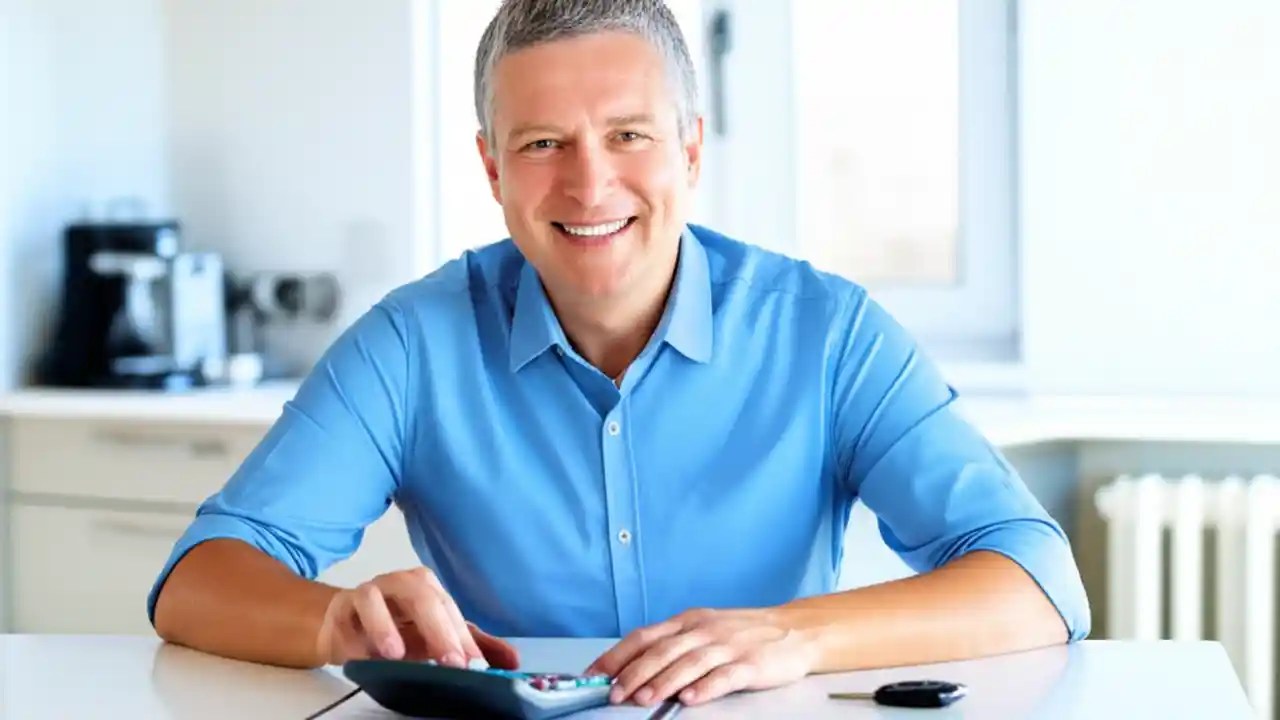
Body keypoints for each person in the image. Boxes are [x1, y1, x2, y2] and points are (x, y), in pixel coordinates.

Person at [150, 0, 1090, 709]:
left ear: (689, 149)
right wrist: (329, 617)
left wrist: (791, 637)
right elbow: (199, 578)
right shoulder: (412, 343)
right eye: (544, 142)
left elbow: (1035, 579)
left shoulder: (828, 331)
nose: (588, 181)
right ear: (492, 170)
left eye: (628, 135)